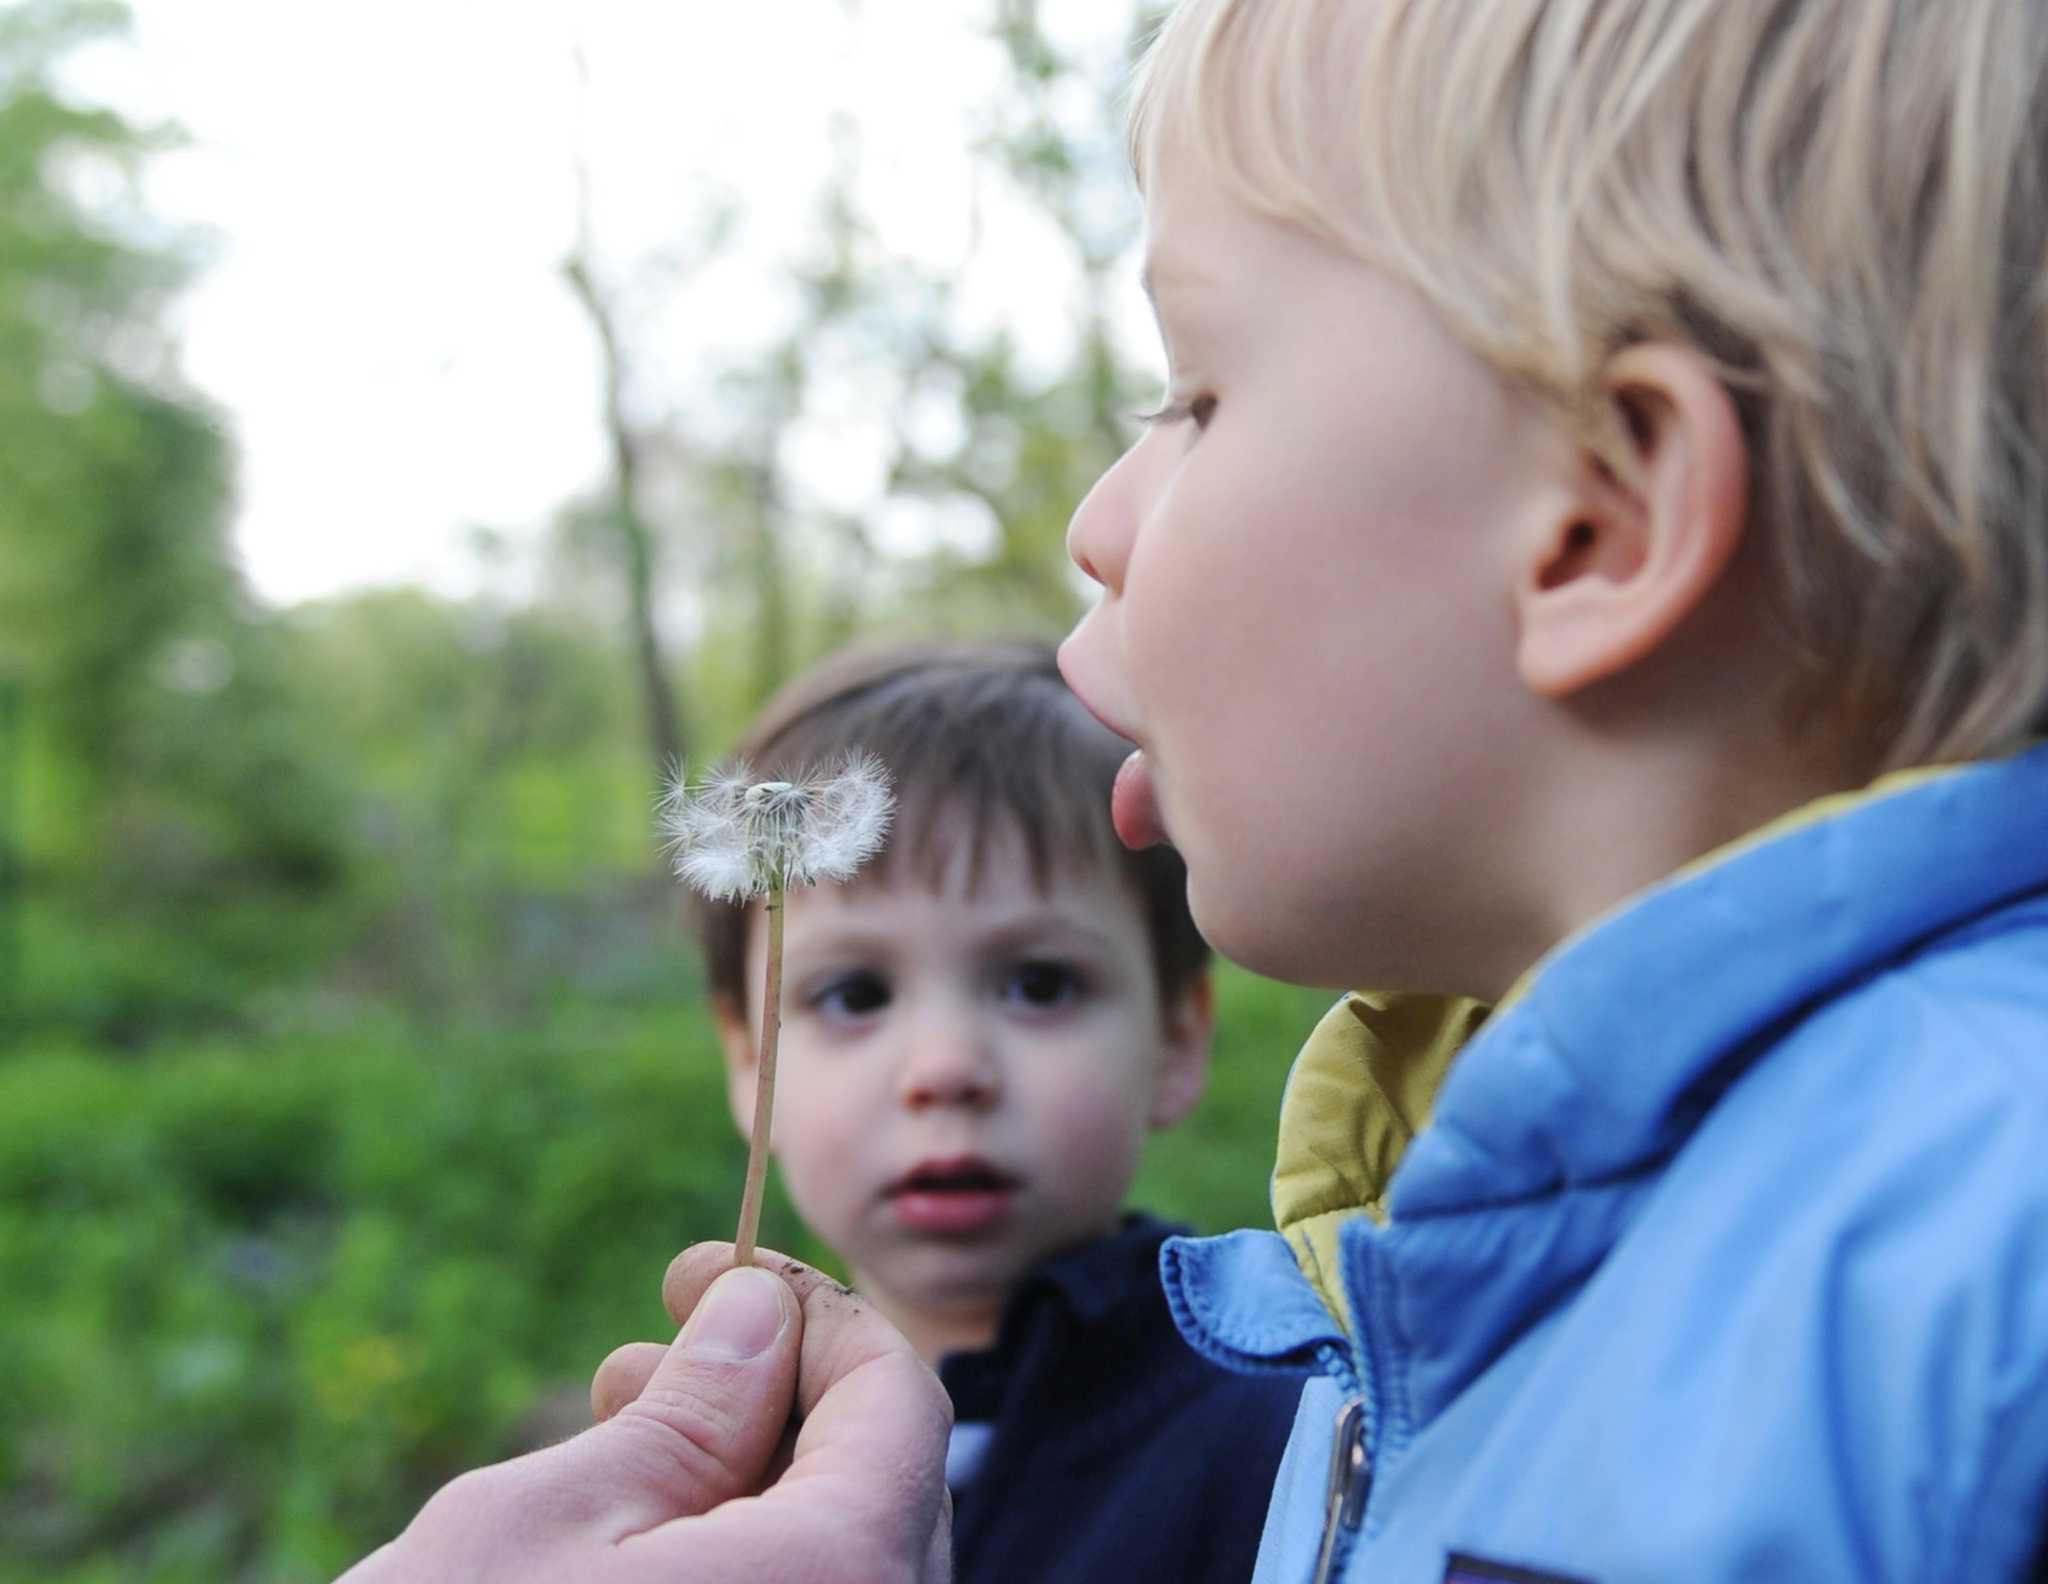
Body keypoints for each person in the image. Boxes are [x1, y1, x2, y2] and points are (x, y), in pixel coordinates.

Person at [351, 0, 2048, 1576]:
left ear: (1597, 516)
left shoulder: (1983, 1242)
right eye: (855, 990)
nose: (1095, 519)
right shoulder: (1426, 1296)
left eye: (1193, 394)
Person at [681, 638, 1302, 1584]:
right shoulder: (698, 1466)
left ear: (1178, 1037)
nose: (945, 1069)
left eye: (1038, 983)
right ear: (747, 1055)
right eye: (853, 995)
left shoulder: (1292, 1443)